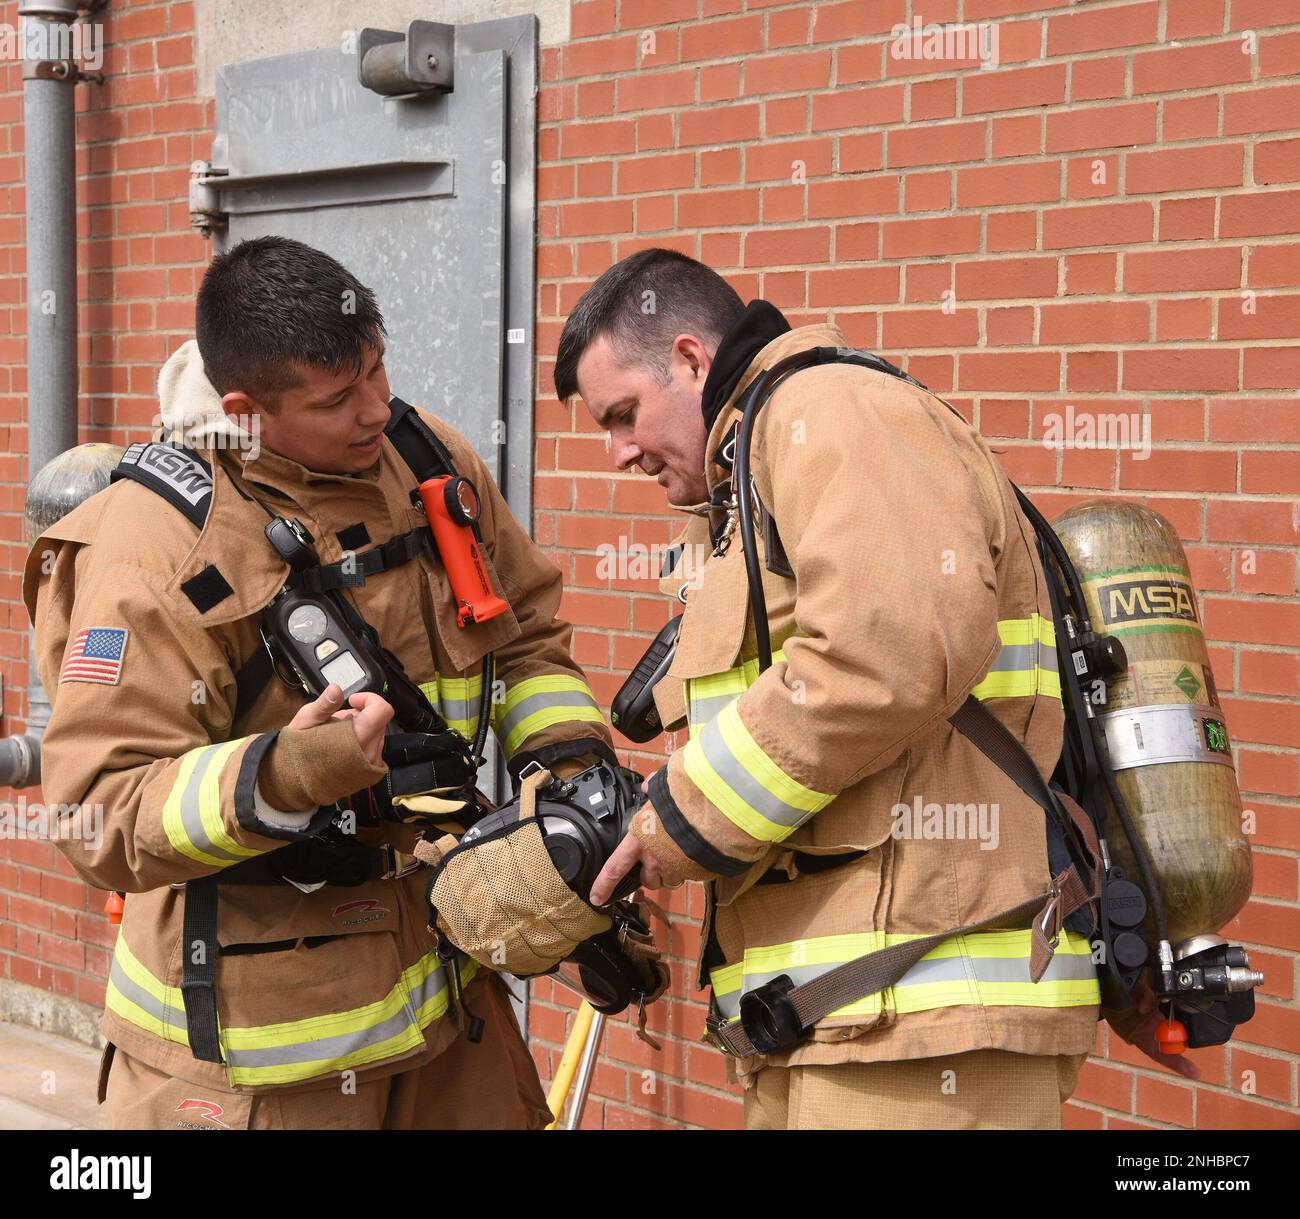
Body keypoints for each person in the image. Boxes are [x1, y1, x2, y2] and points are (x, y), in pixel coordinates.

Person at [558, 247, 1187, 1130]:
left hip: (922, 1024)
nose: (619, 453)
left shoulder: (828, 409)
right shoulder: (749, 476)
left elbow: (883, 652)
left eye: (623, 414)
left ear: (694, 359)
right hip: (836, 1021)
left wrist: (685, 817)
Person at [25, 235, 615, 1130]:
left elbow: (524, 629)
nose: (378, 408)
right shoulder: (155, 547)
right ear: (244, 410)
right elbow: (95, 810)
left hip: (448, 1012)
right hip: (259, 1053)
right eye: (339, 398)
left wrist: (571, 773)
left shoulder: (429, 461)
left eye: (378, 370)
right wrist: (286, 773)